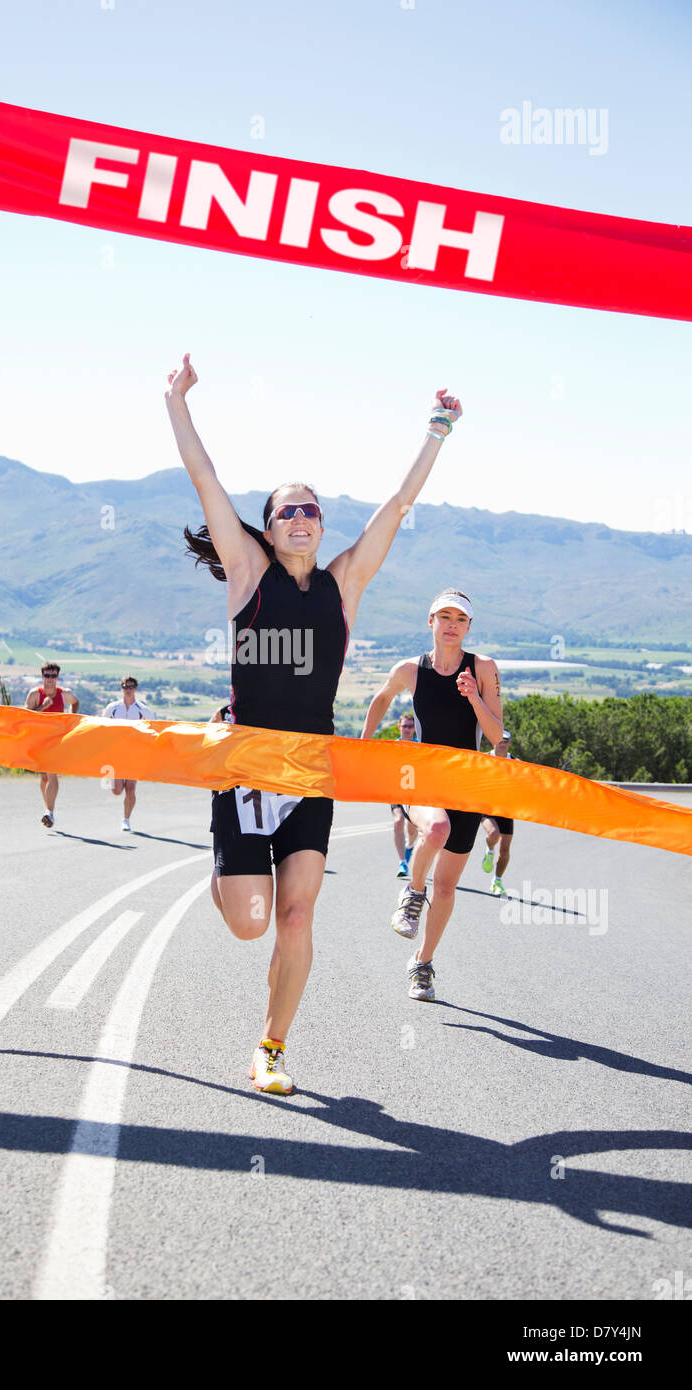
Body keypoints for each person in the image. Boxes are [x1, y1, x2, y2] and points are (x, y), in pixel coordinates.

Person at [167, 350, 461, 1093]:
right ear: (266, 531)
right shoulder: (248, 575)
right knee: (250, 922)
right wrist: (177, 402)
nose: (302, 517)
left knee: (296, 917)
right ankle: (227, 872)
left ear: (322, 526)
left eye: (312, 509)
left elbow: (394, 509)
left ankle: (271, 1047)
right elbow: (206, 480)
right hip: (243, 766)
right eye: (286, 511)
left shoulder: (344, 585)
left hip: (310, 772)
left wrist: (436, 432)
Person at [361, 591, 504, 1002]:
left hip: (468, 784)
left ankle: (421, 964)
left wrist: (475, 696)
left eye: (461, 618)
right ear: (431, 621)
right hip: (419, 777)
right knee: (436, 828)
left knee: (447, 887)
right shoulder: (411, 670)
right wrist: (363, 745)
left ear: (469, 627)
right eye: (445, 616)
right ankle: (412, 892)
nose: (452, 624)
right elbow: (382, 697)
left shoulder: (484, 668)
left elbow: (497, 738)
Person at [25, 663, 79, 827]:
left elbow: (75, 702)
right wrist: (43, 706)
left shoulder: (64, 694)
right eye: (47, 676)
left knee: (52, 774)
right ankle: (49, 809)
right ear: (42, 677)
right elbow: (27, 717)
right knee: (43, 777)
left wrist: (70, 718)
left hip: (57, 739)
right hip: (39, 740)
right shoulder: (35, 694)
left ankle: (49, 812)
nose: (50, 679)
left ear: (57, 677)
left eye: (53, 676)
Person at [102, 677, 154, 830]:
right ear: (122, 688)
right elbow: (102, 727)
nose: (128, 689)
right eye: (125, 686)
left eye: (131, 686)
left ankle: (126, 819)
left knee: (130, 789)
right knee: (117, 790)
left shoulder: (143, 710)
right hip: (116, 754)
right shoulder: (112, 708)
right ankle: (111, 778)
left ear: (136, 688)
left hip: (134, 754)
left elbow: (155, 729)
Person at [481, 729, 515, 896]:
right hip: (486, 807)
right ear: (493, 741)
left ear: (509, 743)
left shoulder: (516, 763)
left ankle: (497, 881)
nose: (501, 743)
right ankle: (489, 850)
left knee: (505, 849)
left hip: (507, 809)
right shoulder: (484, 759)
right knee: (493, 834)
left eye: (505, 740)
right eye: (499, 740)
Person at [391, 712, 419, 877]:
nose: (408, 729)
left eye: (410, 726)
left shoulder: (420, 745)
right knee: (398, 821)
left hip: (415, 793)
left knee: (412, 829)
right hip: (396, 792)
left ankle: (410, 846)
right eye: (405, 726)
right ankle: (402, 862)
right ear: (399, 727)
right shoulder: (393, 747)